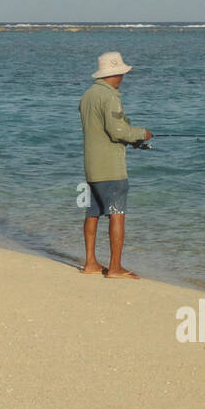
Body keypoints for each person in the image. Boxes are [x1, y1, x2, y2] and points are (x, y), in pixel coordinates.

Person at [78, 51, 151, 279]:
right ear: (115, 74)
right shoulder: (110, 97)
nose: (123, 78)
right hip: (110, 167)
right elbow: (117, 130)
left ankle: (90, 262)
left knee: (92, 213)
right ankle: (115, 267)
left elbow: (100, 131)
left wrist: (132, 141)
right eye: (121, 73)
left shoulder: (87, 95)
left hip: (92, 165)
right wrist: (142, 134)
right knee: (117, 213)